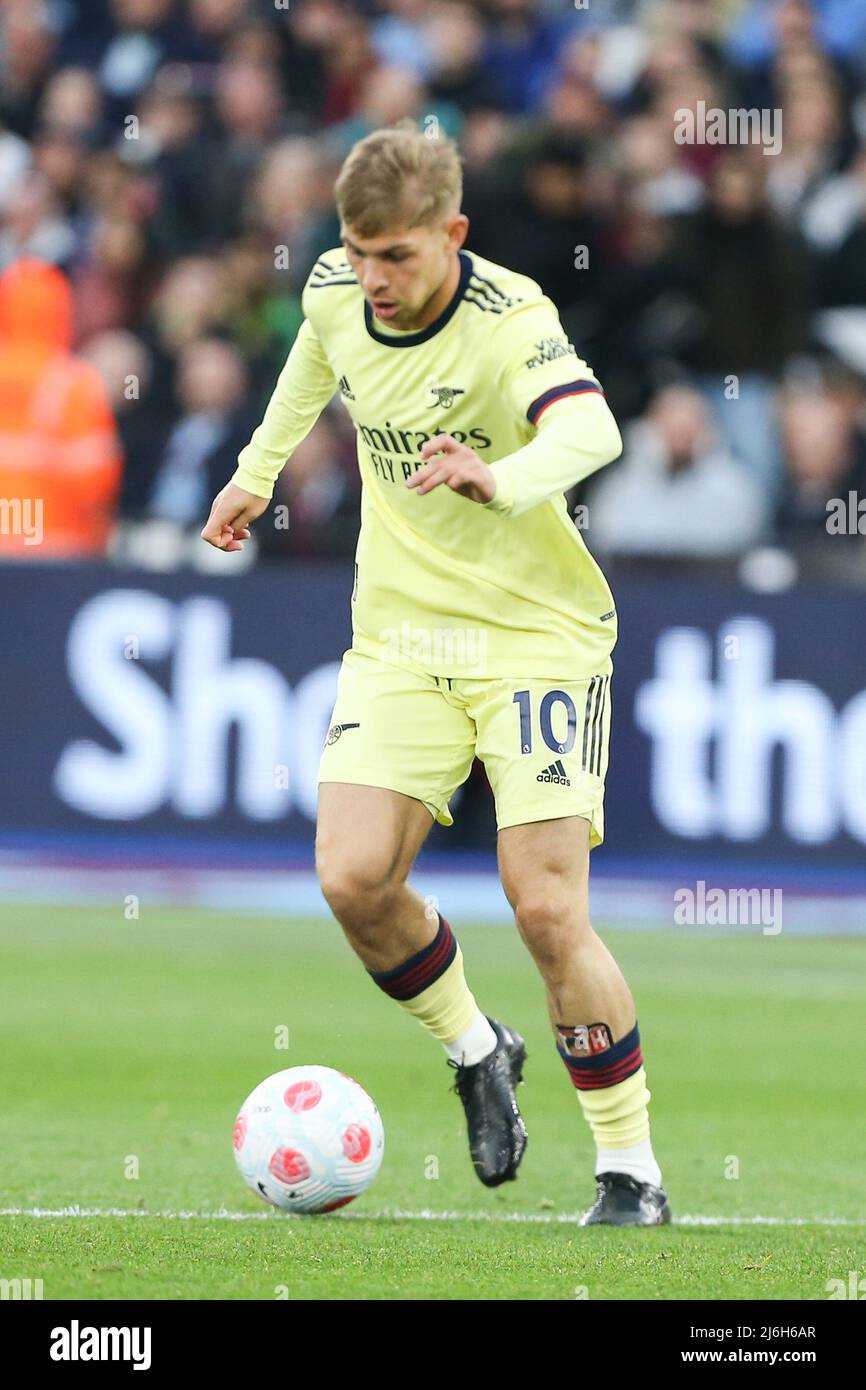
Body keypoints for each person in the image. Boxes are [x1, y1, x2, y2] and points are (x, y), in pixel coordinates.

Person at [201, 122, 670, 1226]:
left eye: (397, 257)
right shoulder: (334, 290)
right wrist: (252, 476)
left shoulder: (512, 323)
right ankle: (476, 1048)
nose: (374, 280)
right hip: (401, 638)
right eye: (358, 253)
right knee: (353, 878)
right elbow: (312, 367)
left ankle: (629, 1169)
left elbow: (591, 430)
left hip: (533, 638)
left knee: (544, 906)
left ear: (451, 234)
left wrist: (501, 480)